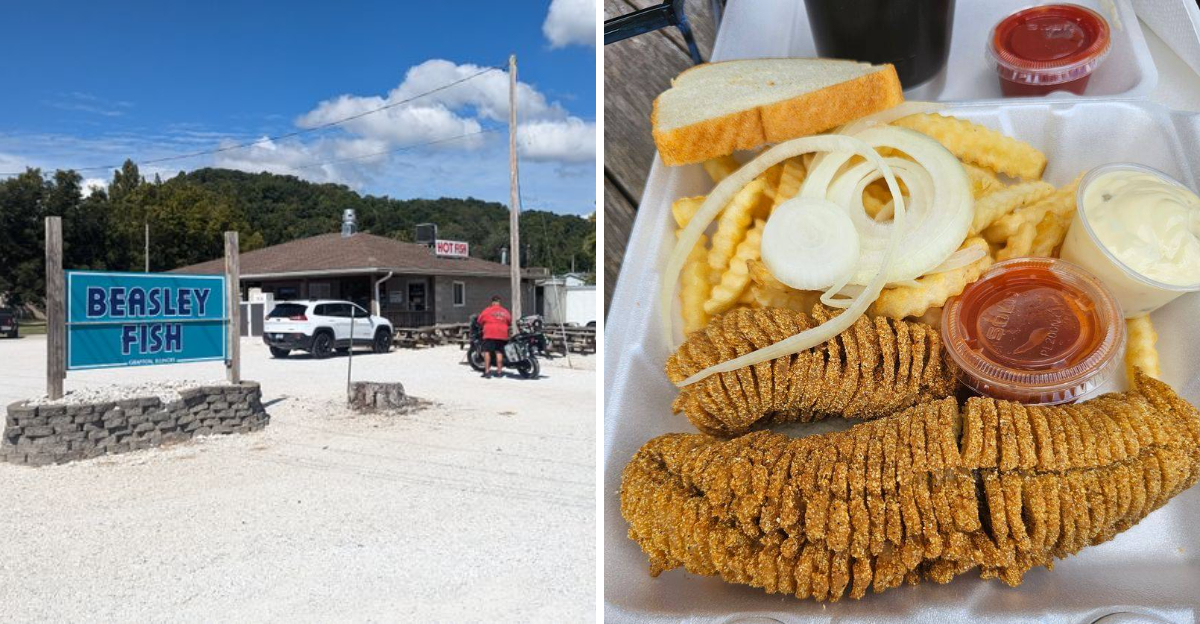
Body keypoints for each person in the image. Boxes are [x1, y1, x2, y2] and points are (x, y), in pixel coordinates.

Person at [478, 295, 512, 378]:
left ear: (492, 302)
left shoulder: (487, 310)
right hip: (502, 334)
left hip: (489, 333)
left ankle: (487, 371)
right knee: (499, 352)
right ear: (499, 302)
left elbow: (480, 320)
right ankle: (499, 372)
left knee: (487, 352)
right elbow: (509, 321)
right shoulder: (505, 311)